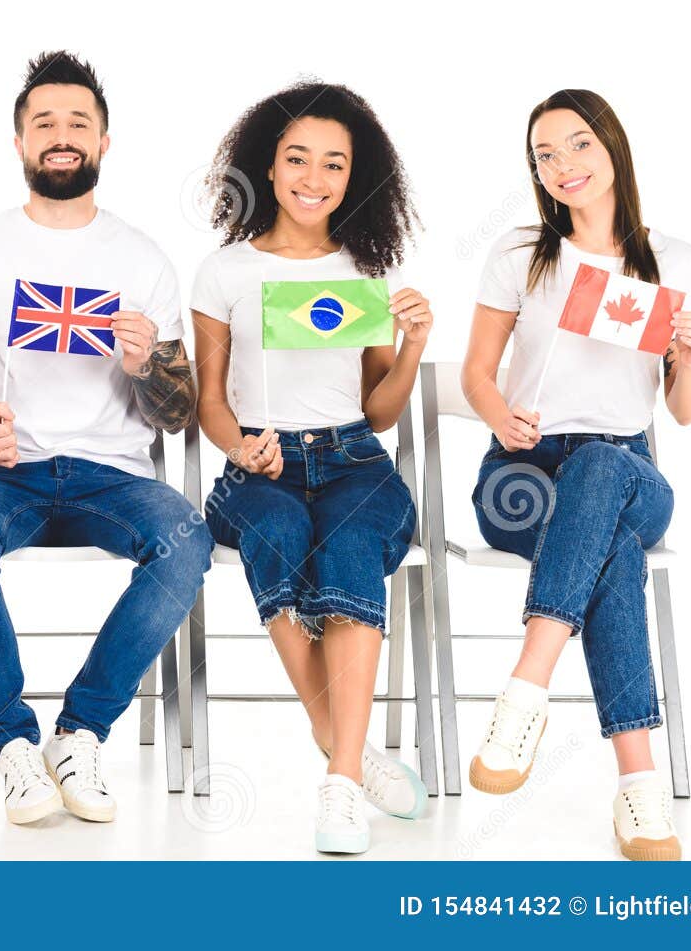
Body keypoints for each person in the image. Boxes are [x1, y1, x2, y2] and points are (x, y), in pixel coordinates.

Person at [0, 51, 209, 825]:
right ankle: (13, 747)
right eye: (43, 122)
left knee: (187, 539)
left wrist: (149, 364)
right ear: (19, 142)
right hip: (1, 471)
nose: (61, 135)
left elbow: (178, 414)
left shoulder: (142, 258)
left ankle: (80, 732)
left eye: (78, 122)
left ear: (104, 142)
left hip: (111, 474)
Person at [462, 89, 691, 861]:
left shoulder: (676, 261)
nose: (563, 166)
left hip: (630, 468)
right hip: (523, 473)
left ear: (612, 147)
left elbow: (687, 410)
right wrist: (500, 415)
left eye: (578, 145)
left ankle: (526, 685)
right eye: (545, 155)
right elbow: (477, 372)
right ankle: (641, 790)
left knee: (604, 470)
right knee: (613, 560)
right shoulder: (518, 253)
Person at [194, 81, 431, 854]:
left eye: (334, 164)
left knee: (353, 548)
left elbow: (383, 409)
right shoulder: (225, 272)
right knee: (279, 533)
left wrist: (414, 348)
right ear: (267, 167)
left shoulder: (363, 270)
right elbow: (210, 402)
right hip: (259, 467)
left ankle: (338, 784)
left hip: (354, 459)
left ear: (353, 178)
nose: (313, 177)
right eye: (297, 158)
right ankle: (353, 755)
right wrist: (240, 447)